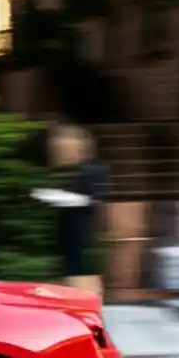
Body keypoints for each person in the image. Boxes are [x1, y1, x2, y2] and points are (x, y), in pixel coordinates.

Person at [33, 124, 110, 296]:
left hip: (82, 235)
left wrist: (51, 196)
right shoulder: (78, 172)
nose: (59, 153)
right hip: (71, 237)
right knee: (75, 272)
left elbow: (90, 199)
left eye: (63, 148)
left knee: (82, 274)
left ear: (79, 147)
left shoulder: (92, 170)